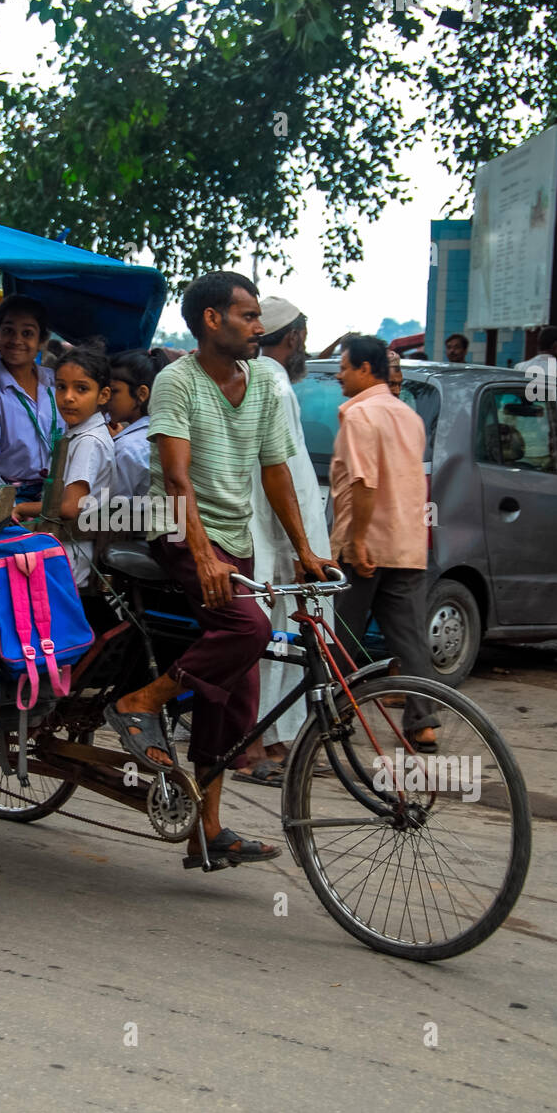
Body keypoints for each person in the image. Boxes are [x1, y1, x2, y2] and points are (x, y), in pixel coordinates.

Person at [104, 271, 333, 871]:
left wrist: (304, 549)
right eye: (249, 315)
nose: (260, 327)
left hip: (237, 538)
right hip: (181, 533)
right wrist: (202, 555)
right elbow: (176, 479)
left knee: (233, 689)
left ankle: (206, 832)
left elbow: (276, 471)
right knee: (249, 631)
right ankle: (140, 702)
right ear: (212, 320)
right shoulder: (177, 382)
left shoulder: (259, 382)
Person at [238, 296, 332, 786]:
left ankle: (270, 742)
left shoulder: (253, 378)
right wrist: (301, 550)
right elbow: (287, 473)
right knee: (274, 645)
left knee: (275, 645)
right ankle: (254, 748)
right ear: (293, 337)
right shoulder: (273, 382)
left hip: (265, 539)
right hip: (276, 544)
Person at [330, 336, 439, 746]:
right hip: (408, 544)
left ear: (364, 370)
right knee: (409, 640)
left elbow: (364, 483)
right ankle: (422, 724)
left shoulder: (360, 416)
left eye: (343, 366)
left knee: (342, 637)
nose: (339, 374)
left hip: (367, 548)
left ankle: (334, 717)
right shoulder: (409, 416)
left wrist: (357, 543)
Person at [15, 341, 115, 588]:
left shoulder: (88, 441)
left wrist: (21, 508)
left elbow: (70, 507)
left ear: (103, 395)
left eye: (81, 389)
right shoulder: (78, 434)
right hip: (60, 545)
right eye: (61, 387)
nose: (68, 398)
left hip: (68, 553)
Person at [0, 294, 60, 506]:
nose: (16, 340)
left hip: (55, 490)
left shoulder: (54, 382)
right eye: (8, 331)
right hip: (6, 494)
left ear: (42, 341)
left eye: (27, 333)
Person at [108, 348, 168, 498]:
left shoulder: (127, 448)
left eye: (114, 391)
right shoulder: (161, 432)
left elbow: (111, 506)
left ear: (141, 394)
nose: (106, 397)